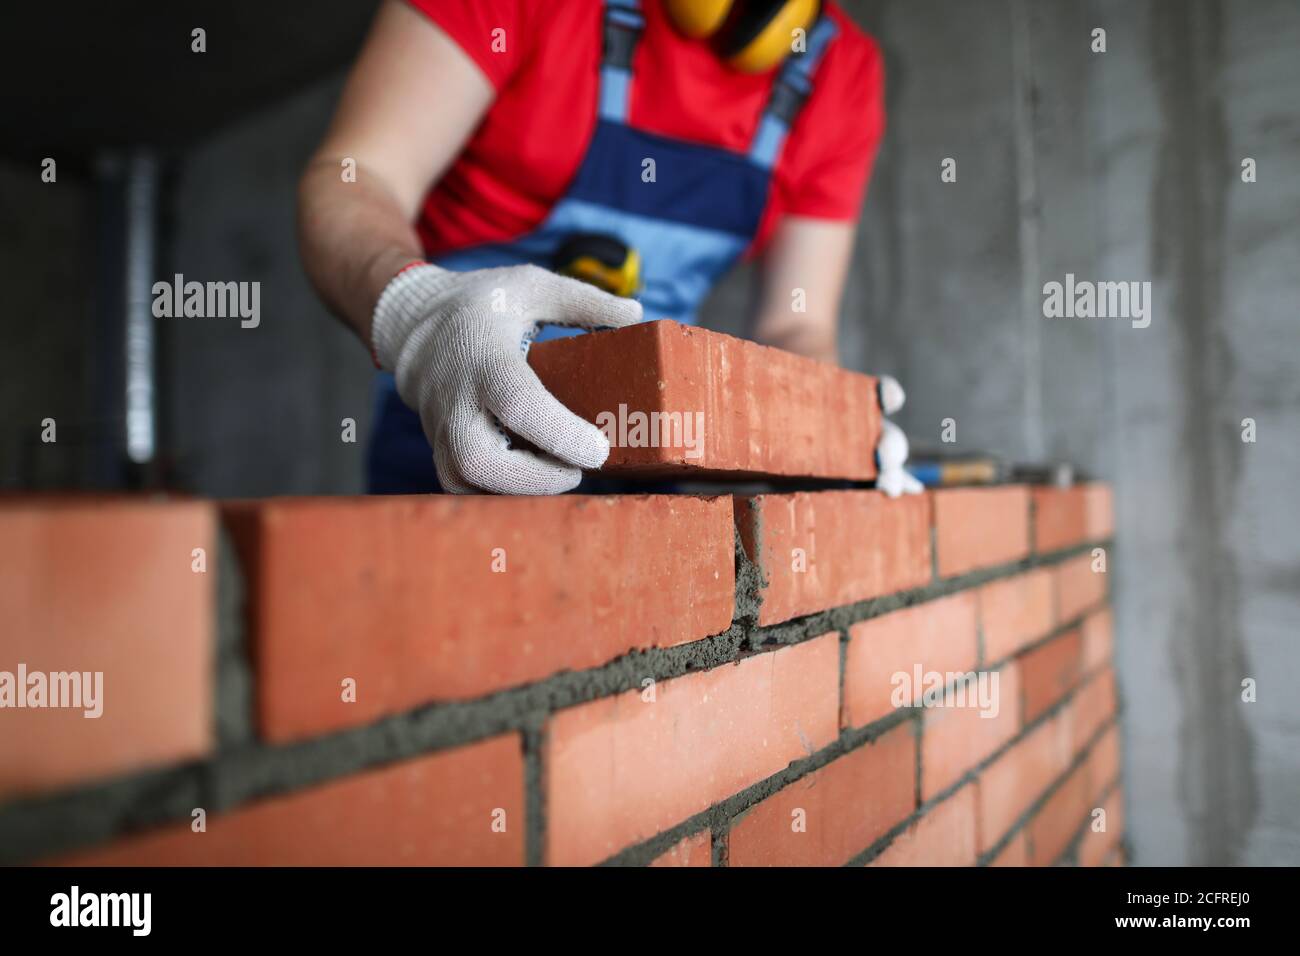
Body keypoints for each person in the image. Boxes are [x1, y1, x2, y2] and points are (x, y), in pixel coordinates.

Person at [298, 0, 897, 495]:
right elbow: (353, 175)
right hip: (448, 441)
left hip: (652, 463)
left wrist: (830, 433)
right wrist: (418, 311)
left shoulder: (838, 70)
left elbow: (796, 326)